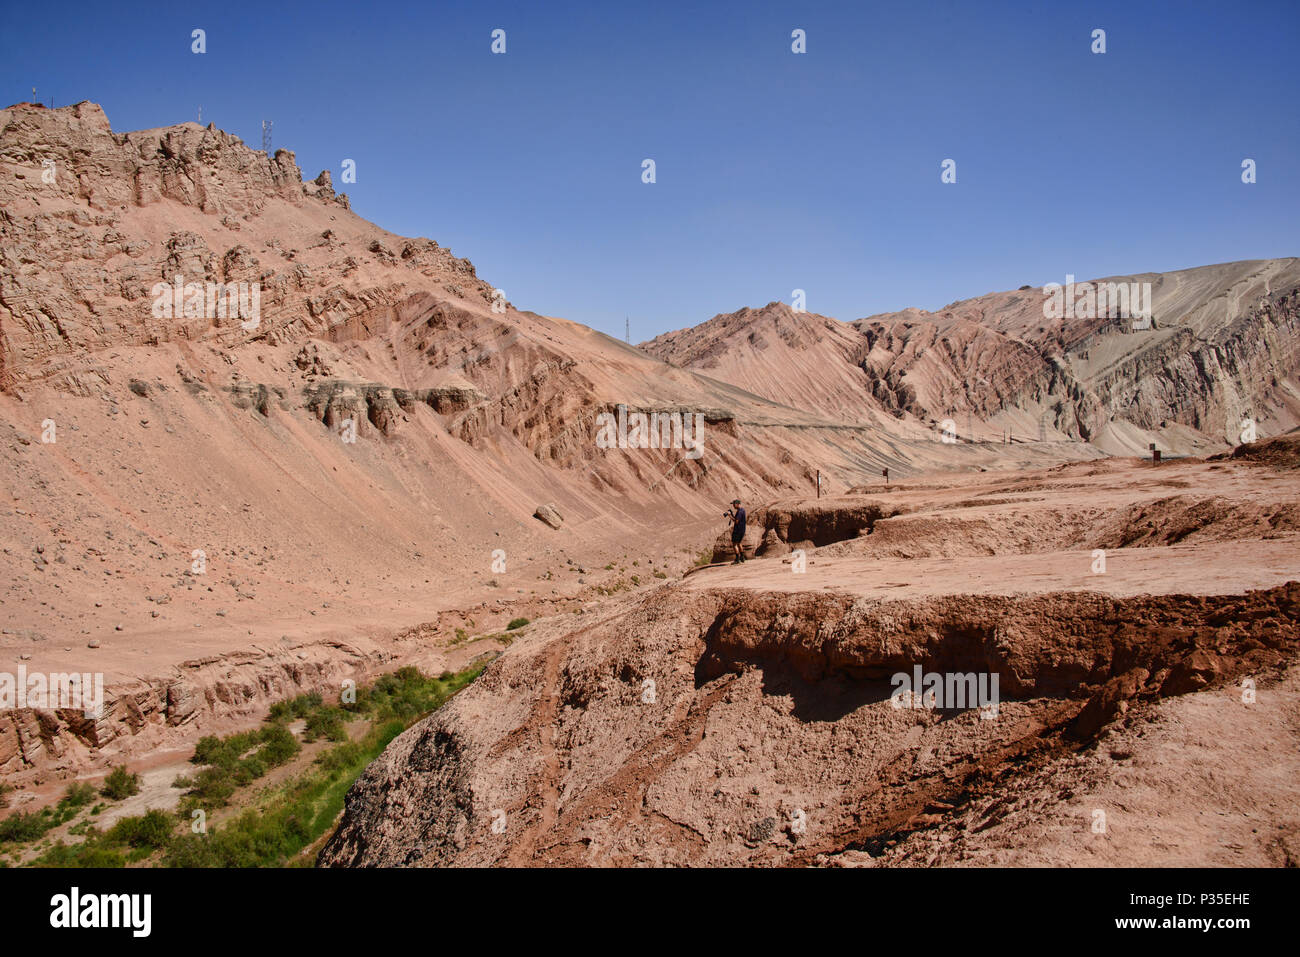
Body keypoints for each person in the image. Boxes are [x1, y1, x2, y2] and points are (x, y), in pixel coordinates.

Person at [726, 498, 747, 564]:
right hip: (742, 529)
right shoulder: (742, 510)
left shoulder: (740, 511)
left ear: (737, 504)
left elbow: (736, 521)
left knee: (734, 544)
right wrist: (732, 514)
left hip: (738, 530)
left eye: (734, 504)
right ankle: (742, 558)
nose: (733, 506)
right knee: (739, 543)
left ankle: (737, 559)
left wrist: (729, 515)